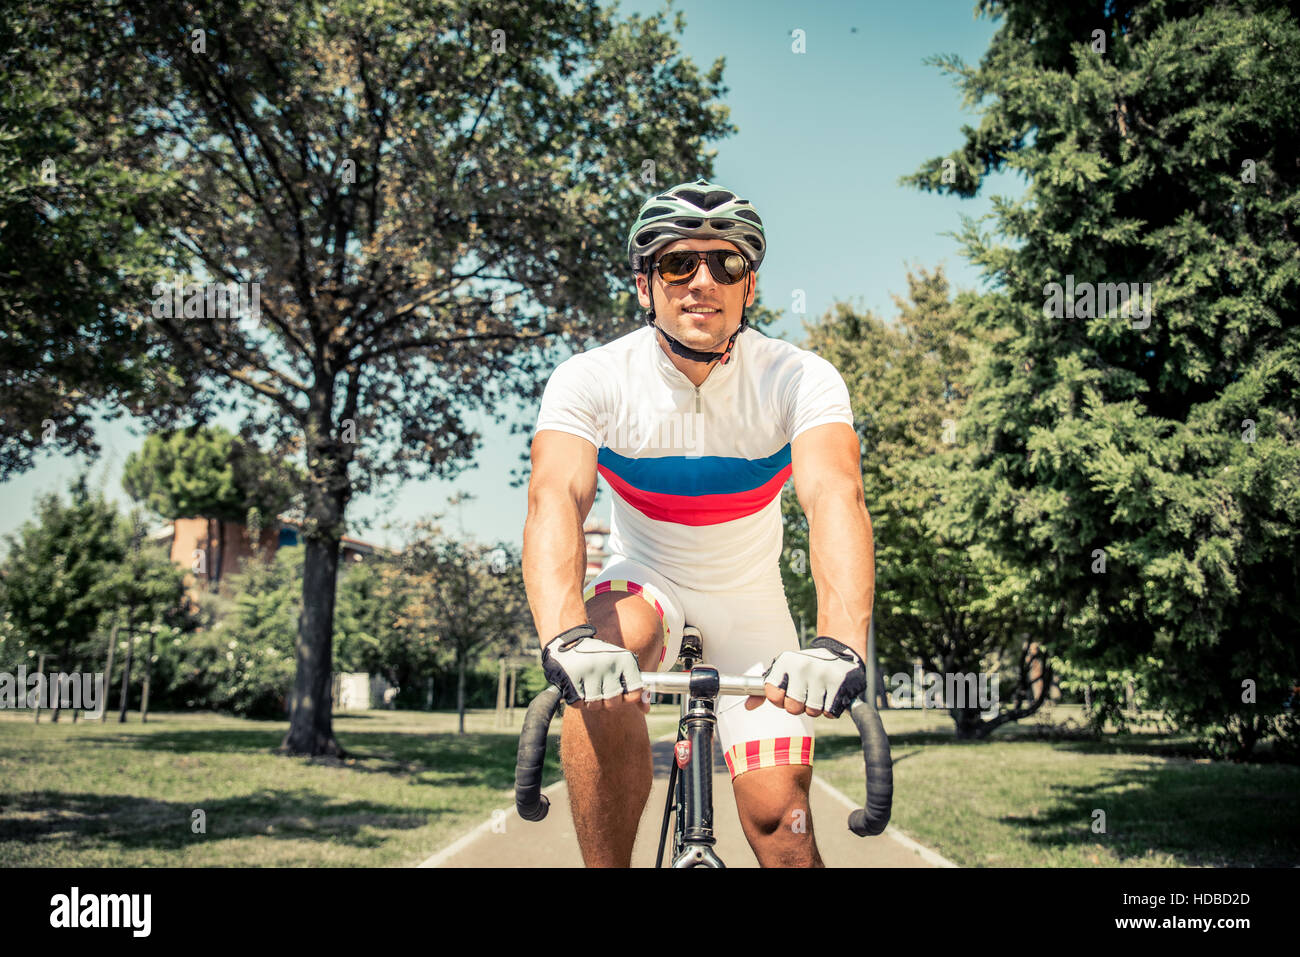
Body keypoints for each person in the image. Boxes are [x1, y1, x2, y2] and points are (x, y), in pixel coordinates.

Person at [522, 179, 875, 867]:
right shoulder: (591, 378)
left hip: (753, 607)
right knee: (605, 653)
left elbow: (837, 495)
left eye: (728, 264)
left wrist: (838, 642)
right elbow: (554, 499)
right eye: (678, 263)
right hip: (646, 583)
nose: (702, 281)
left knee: (783, 832)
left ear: (752, 288)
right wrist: (564, 636)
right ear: (644, 283)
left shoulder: (800, 378)